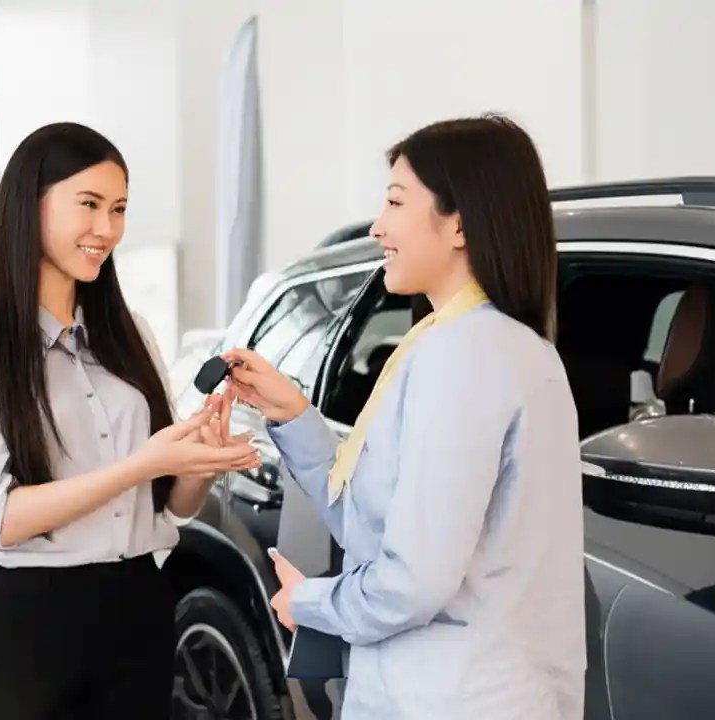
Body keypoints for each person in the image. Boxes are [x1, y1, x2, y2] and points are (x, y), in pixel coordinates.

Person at [224, 114, 586, 719]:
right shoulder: (498, 346)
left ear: (461, 223)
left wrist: (311, 602)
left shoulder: (462, 354)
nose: (377, 225)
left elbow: (413, 579)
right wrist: (295, 416)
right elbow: (375, 526)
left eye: (395, 201)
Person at [0, 121, 260, 720]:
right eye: (90, 204)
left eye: (120, 208)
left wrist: (200, 458)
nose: (107, 229)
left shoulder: (129, 334)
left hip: (138, 605)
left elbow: (172, 507)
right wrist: (142, 463)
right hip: (33, 620)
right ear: (31, 206)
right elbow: (1, 518)